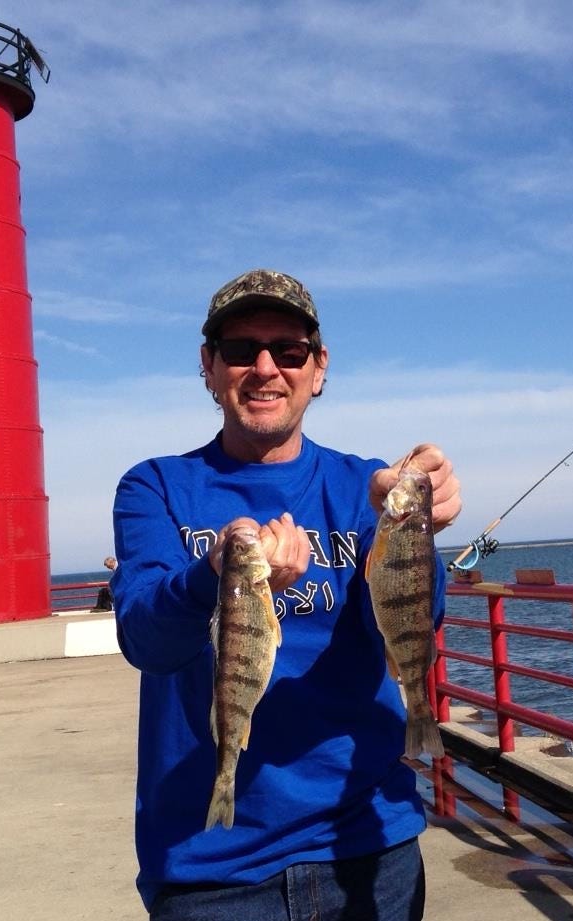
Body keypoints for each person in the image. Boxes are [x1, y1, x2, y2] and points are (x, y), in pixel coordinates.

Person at [110, 268, 461, 921]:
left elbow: (410, 621)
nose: (265, 367)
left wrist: (416, 530)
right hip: (210, 866)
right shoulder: (154, 487)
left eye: (289, 351)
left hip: (370, 847)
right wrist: (214, 571)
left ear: (318, 368)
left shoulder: (365, 486)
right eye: (241, 350)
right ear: (209, 367)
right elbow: (146, 638)